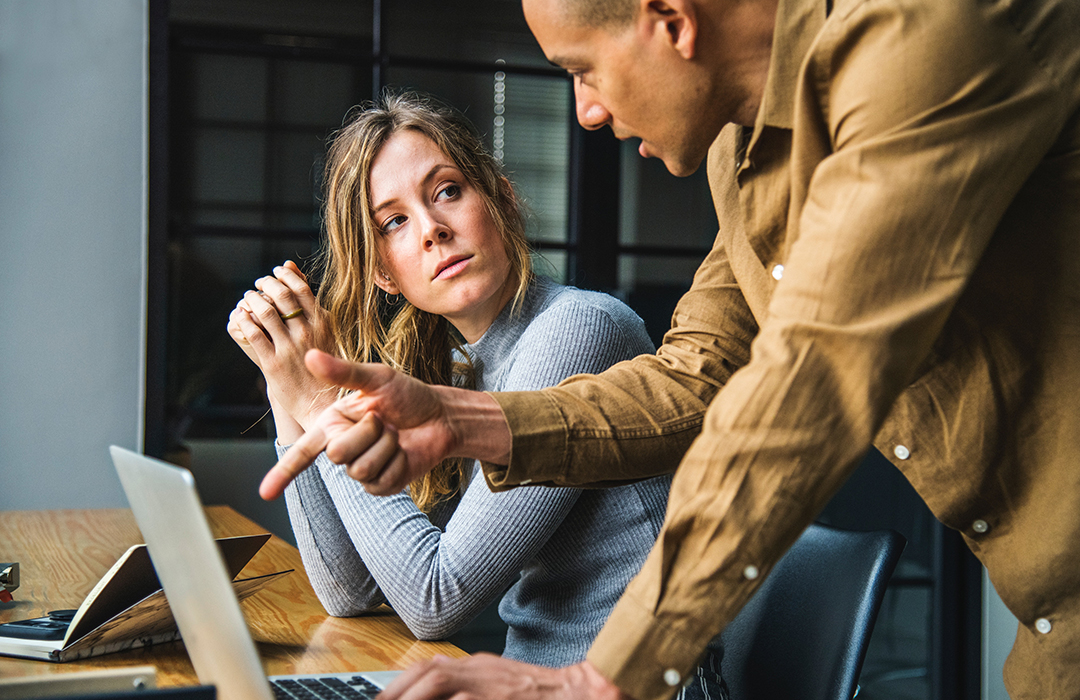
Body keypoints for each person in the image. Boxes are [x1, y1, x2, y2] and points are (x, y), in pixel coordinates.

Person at [261, 0, 1080, 698]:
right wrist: (461, 417)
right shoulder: (746, 149)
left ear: (670, 20)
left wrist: (605, 675)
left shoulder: (927, 45)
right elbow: (698, 376)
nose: (584, 108)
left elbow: (813, 380)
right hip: (1051, 624)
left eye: (583, 67)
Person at [227, 92, 724, 694]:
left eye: (447, 191)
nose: (433, 230)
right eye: (395, 222)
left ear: (502, 200)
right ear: (384, 272)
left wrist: (319, 407)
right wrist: (289, 382)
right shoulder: (460, 372)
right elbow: (350, 591)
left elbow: (435, 599)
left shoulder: (579, 328)